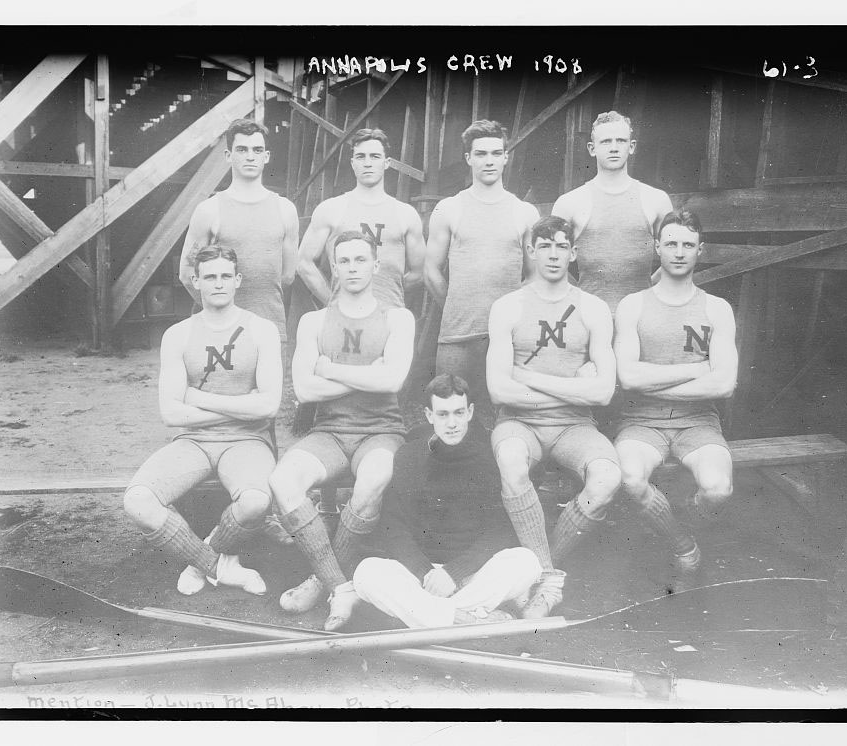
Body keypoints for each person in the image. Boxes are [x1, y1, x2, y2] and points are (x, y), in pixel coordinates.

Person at [268, 230, 415, 631]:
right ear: (333, 268)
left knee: (375, 477)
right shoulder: (314, 321)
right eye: (344, 261)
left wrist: (330, 369)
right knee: (283, 481)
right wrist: (371, 372)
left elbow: (393, 381)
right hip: (330, 431)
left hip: (381, 430)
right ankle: (339, 584)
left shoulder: (397, 317)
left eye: (360, 260)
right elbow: (304, 390)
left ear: (376, 265)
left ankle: (321, 578)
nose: (352, 268)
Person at [123, 245, 283, 596]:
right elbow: (171, 413)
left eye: (226, 276)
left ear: (238, 280)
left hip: (247, 441)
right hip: (193, 441)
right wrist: (242, 403)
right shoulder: (178, 334)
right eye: (210, 277)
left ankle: (200, 560)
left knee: (256, 501)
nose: (219, 283)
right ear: (195, 281)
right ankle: (215, 564)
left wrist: (199, 398)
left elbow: (269, 406)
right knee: (137, 500)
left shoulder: (262, 330)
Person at [486, 216, 622, 619]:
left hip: (575, 425)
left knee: (608, 478)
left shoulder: (593, 308)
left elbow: (602, 393)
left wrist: (528, 376)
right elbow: (499, 390)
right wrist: (570, 385)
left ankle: (541, 574)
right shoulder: (509, 306)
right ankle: (548, 577)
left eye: (561, 246)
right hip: (518, 422)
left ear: (573, 253)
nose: (553, 254)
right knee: (511, 461)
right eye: (544, 246)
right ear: (531, 251)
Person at [353, 374, 542, 628]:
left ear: (470, 412)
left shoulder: (489, 457)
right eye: (442, 414)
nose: (452, 423)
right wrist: (425, 574)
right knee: (366, 573)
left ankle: (430, 615)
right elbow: (393, 527)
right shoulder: (409, 456)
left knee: (526, 562)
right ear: (429, 416)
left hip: (470, 575)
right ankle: (466, 619)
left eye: (458, 413)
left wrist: (454, 573)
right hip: (420, 575)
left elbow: (500, 530)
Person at [613, 209, 737, 588]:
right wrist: (697, 370)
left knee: (717, 489)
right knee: (631, 479)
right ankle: (683, 546)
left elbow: (725, 385)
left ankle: (677, 519)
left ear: (701, 250)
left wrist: (655, 382)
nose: (679, 252)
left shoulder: (717, 308)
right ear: (657, 248)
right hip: (641, 421)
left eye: (687, 244)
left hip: (698, 422)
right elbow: (628, 378)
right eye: (671, 244)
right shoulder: (633, 305)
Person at [424, 120, 540, 411]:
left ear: (505, 157)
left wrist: (506, 315)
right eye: (480, 154)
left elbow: (534, 275)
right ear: (468, 158)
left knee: (507, 416)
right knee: (453, 413)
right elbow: (430, 270)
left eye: (495, 153)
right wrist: (455, 306)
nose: (489, 161)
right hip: (457, 336)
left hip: (507, 337)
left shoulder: (524, 212)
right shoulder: (449, 208)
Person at [179, 118, 300, 359]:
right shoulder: (209, 210)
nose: (250, 156)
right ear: (228, 155)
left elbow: (287, 275)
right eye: (242, 150)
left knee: (268, 395)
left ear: (266, 157)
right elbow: (186, 273)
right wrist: (218, 309)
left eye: (257, 150)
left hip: (270, 327)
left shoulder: (285, 209)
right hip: (218, 331)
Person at [551, 111, 673, 313]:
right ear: (592, 149)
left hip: (640, 319)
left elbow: (675, 259)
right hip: (588, 319)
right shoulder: (569, 203)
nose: (614, 148)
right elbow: (551, 262)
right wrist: (582, 298)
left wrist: (646, 293)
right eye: (606, 141)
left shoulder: (656, 200)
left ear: (631, 146)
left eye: (621, 141)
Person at [296, 128, 426, 310]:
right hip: (343, 318)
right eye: (360, 157)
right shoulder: (331, 209)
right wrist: (333, 303)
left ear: (387, 162)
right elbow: (303, 263)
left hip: (389, 316)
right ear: (352, 163)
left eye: (374, 156)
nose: (367, 163)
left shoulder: (405, 214)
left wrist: (387, 293)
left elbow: (419, 273)